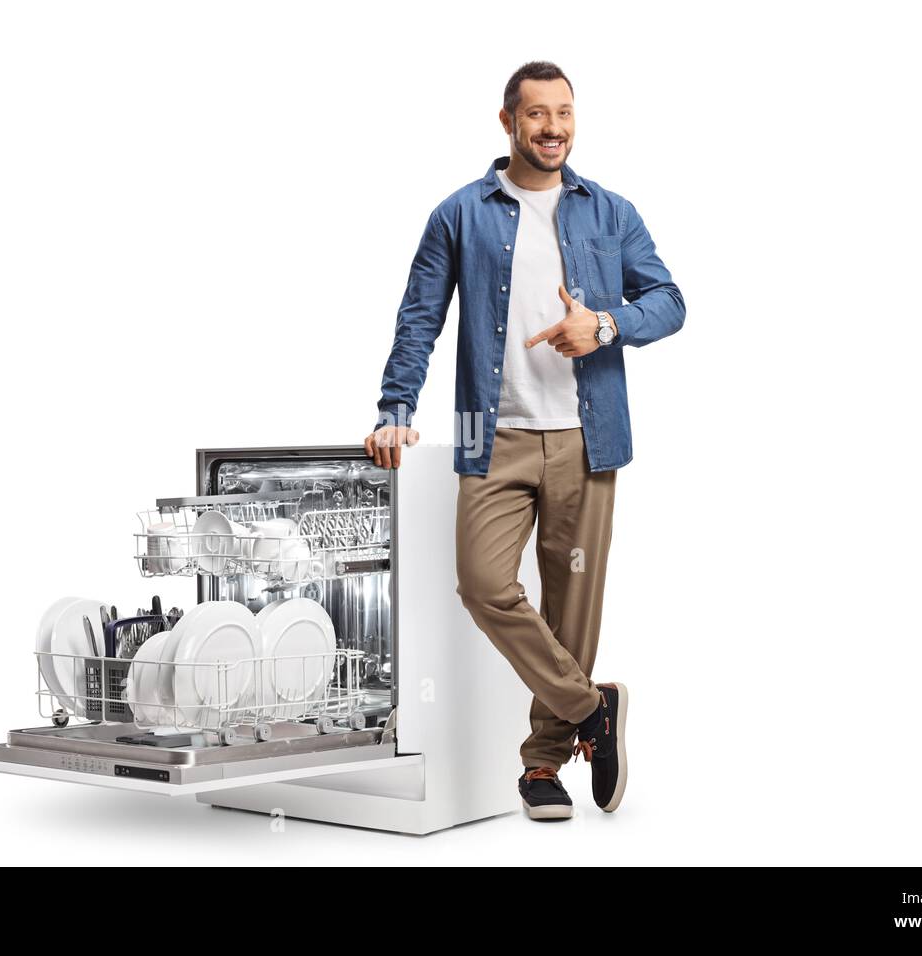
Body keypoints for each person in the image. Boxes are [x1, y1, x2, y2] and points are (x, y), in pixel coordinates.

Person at [364, 61, 685, 820]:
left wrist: (603, 325)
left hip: (587, 434)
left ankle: (543, 767)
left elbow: (669, 301)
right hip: (489, 431)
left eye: (565, 113)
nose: (553, 128)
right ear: (507, 121)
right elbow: (420, 318)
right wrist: (393, 405)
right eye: (537, 114)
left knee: (572, 605)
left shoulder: (610, 212)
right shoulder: (460, 213)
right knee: (483, 584)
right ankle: (590, 709)